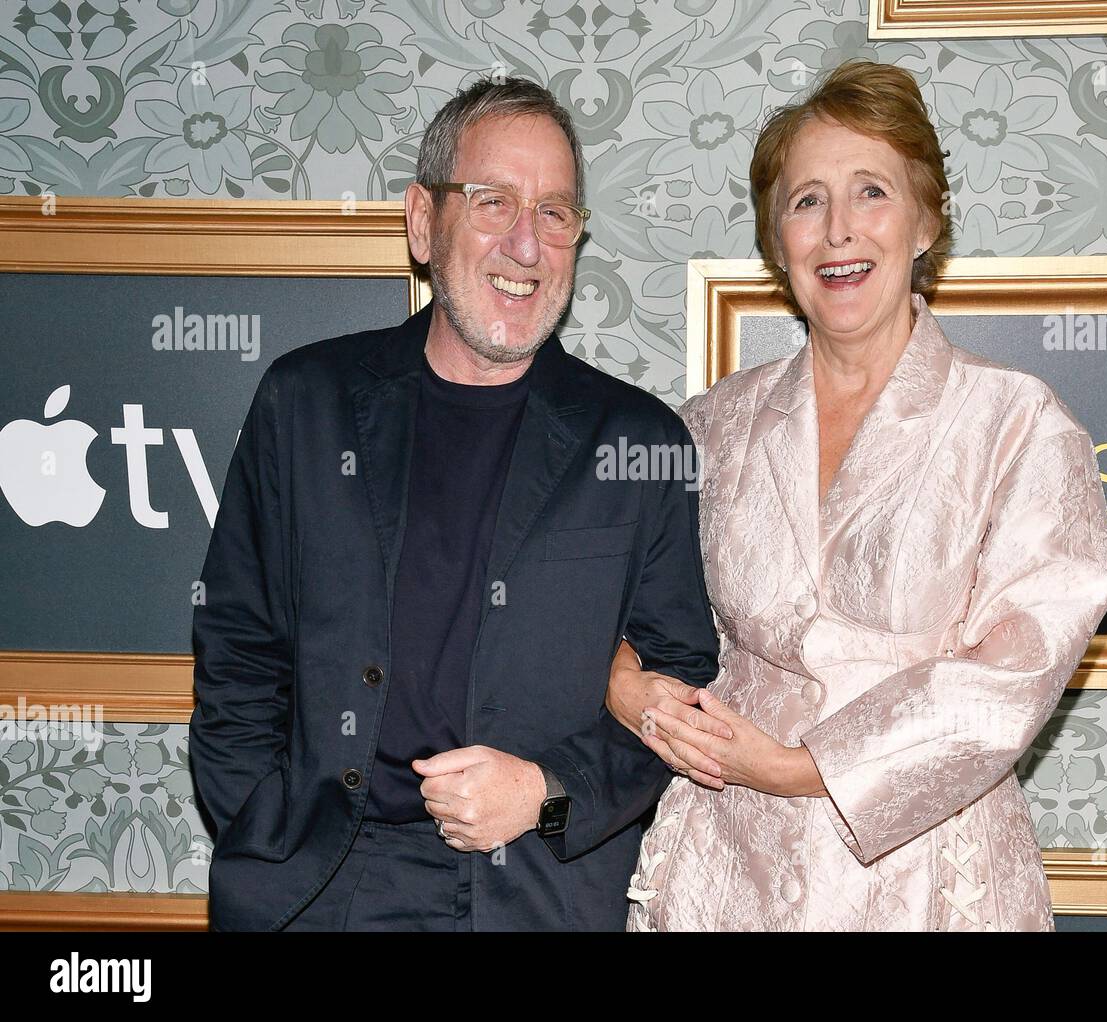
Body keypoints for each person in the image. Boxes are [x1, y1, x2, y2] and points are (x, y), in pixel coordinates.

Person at [189, 76, 718, 932]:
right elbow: (237, 645)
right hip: (319, 887)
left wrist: (545, 795)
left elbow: (678, 687)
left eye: (555, 213)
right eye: (492, 201)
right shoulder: (307, 402)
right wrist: (261, 821)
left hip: (532, 892)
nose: (526, 243)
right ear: (421, 221)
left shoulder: (638, 441)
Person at [606, 59, 1107, 931]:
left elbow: (1017, 668)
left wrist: (804, 769)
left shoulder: (1018, 423)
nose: (838, 230)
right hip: (728, 862)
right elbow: (595, 598)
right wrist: (624, 687)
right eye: (807, 201)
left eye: (871, 191)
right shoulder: (708, 428)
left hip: (925, 869)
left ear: (925, 221)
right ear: (777, 243)